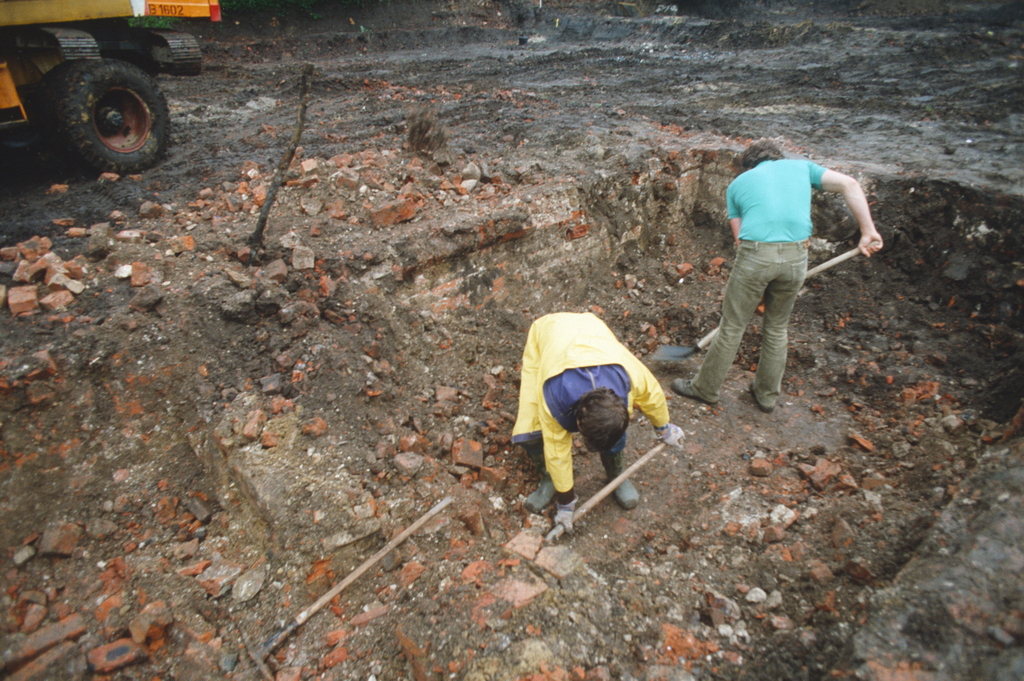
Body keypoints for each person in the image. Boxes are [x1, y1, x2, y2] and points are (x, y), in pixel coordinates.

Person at [672, 139, 883, 413]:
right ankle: (766, 396)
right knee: (776, 327)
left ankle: (705, 389)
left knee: (733, 326)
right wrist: (868, 231)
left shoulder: (737, 184)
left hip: (756, 256)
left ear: (748, 165)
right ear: (777, 157)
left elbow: (740, 241)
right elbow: (850, 184)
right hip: (797, 257)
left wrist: (756, 281)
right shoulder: (802, 168)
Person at [512, 312, 684, 532]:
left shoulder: (630, 376)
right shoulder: (555, 396)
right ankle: (549, 478)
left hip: (592, 328)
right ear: (578, 420)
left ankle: (615, 472)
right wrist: (566, 502)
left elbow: (654, 398)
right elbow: (557, 452)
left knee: (612, 430)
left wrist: (664, 430)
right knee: (532, 430)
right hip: (548, 335)